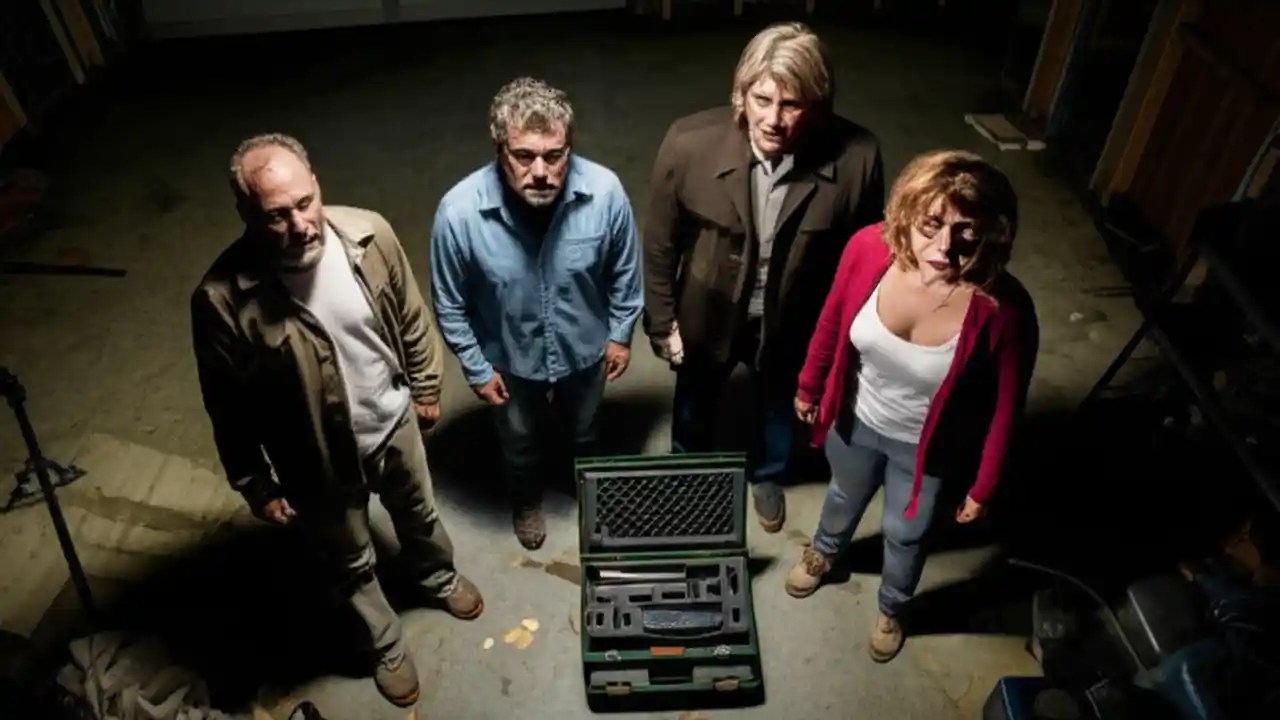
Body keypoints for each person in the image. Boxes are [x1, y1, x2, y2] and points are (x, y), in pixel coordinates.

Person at [190, 133, 483, 708]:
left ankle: (436, 577)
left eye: (305, 202)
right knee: (348, 560)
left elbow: (411, 311)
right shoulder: (223, 300)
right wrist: (253, 478)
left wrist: (425, 384)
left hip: (392, 420)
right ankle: (385, 643)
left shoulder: (368, 235)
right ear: (247, 214)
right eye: (277, 215)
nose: (300, 225)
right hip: (313, 457)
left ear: (317, 184)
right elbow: (225, 401)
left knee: (418, 511)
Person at [785, 149, 1038, 663]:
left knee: (907, 533)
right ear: (907, 214)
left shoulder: (1003, 311)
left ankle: (893, 606)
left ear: (993, 231)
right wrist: (810, 385)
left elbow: (1006, 409)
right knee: (842, 494)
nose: (944, 248)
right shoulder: (866, 250)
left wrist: (983, 485)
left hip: (926, 449)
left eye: (966, 230)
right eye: (930, 225)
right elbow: (833, 320)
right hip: (856, 419)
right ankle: (825, 554)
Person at [642, 21, 885, 532]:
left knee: (781, 404)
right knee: (694, 398)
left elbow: (862, 261)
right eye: (762, 98)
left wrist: (841, 341)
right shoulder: (688, 145)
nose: (773, 120)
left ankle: (769, 475)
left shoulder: (859, 158)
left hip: (795, 316)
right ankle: (689, 472)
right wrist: (662, 322)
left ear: (818, 104)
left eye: (792, 104)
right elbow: (660, 242)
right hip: (708, 311)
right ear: (740, 94)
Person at [430, 77, 643, 550]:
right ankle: (526, 498)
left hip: (585, 349)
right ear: (499, 149)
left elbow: (626, 273)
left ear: (570, 147)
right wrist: (476, 366)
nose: (541, 171)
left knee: (587, 431)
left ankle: (586, 487)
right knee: (518, 440)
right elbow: (449, 302)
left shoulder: (605, 193)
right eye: (524, 156)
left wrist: (622, 334)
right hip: (509, 358)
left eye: (555, 154)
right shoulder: (459, 213)